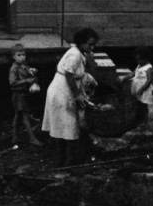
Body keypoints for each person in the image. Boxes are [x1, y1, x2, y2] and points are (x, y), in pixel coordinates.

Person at [42, 27, 99, 167]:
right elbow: (69, 75)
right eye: (89, 44)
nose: (92, 47)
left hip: (63, 89)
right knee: (68, 125)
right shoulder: (75, 55)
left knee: (64, 124)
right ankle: (67, 160)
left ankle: (64, 159)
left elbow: (80, 74)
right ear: (80, 42)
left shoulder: (79, 54)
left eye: (93, 44)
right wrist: (78, 93)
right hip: (62, 90)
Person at [9, 44, 43, 147]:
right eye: (19, 55)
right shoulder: (13, 68)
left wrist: (33, 75)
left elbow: (31, 76)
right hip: (18, 95)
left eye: (23, 55)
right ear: (13, 56)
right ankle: (32, 138)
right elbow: (12, 83)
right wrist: (27, 80)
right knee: (25, 117)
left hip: (24, 94)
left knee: (17, 116)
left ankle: (15, 138)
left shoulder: (25, 65)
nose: (22, 57)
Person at [130, 46, 153, 127]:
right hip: (137, 88)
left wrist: (142, 89)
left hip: (144, 89)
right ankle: (138, 119)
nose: (138, 62)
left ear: (145, 58)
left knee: (143, 105)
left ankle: (144, 122)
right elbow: (132, 74)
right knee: (138, 104)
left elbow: (150, 80)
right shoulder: (139, 66)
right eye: (137, 60)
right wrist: (123, 78)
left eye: (139, 59)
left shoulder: (148, 68)